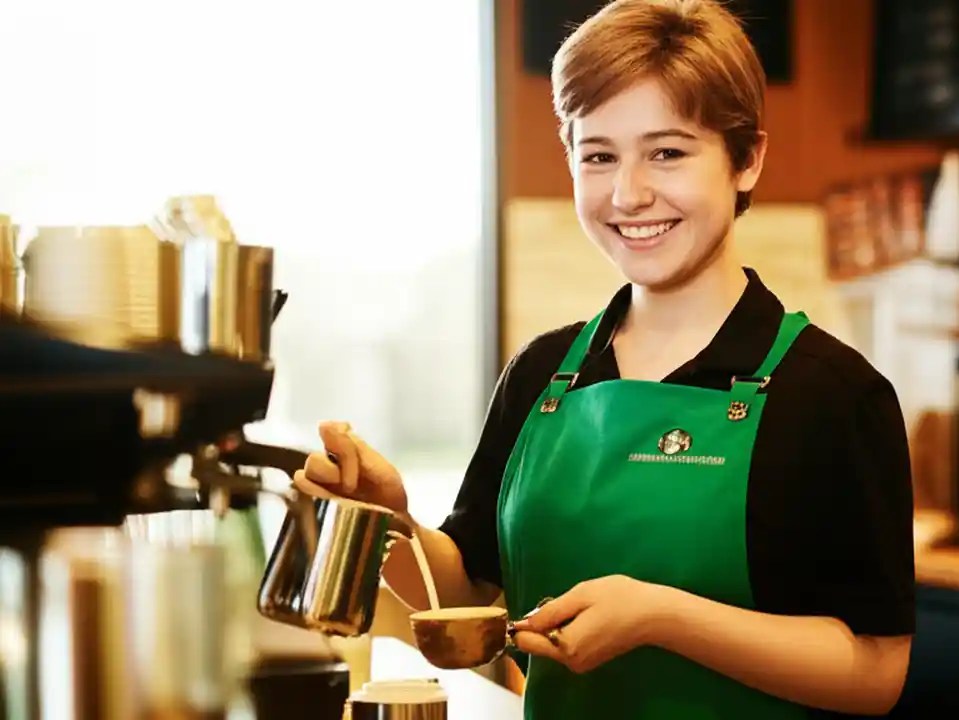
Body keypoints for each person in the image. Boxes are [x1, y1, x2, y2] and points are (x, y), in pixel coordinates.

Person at [295, 0, 916, 717]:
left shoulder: (833, 393)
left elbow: (876, 673)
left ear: (746, 160)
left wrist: (661, 617)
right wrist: (386, 519)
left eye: (668, 152)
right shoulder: (543, 374)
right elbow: (466, 588)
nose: (629, 194)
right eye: (598, 156)